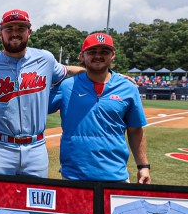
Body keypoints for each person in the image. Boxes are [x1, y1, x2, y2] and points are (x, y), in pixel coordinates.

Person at [0, 9, 84, 177]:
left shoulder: (45, 59)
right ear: (1, 34)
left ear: (29, 32)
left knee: (34, 201)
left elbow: (66, 71)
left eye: (20, 28)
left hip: (36, 148)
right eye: (9, 29)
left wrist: (109, 76)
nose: (15, 33)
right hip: (0, 148)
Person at [49, 32, 151, 183]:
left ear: (112, 55)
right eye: (92, 52)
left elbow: (135, 130)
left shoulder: (128, 88)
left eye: (104, 52)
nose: (98, 56)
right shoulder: (66, 86)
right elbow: (35, 106)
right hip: (74, 176)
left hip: (116, 176)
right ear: (82, 56)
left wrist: (143, 166)